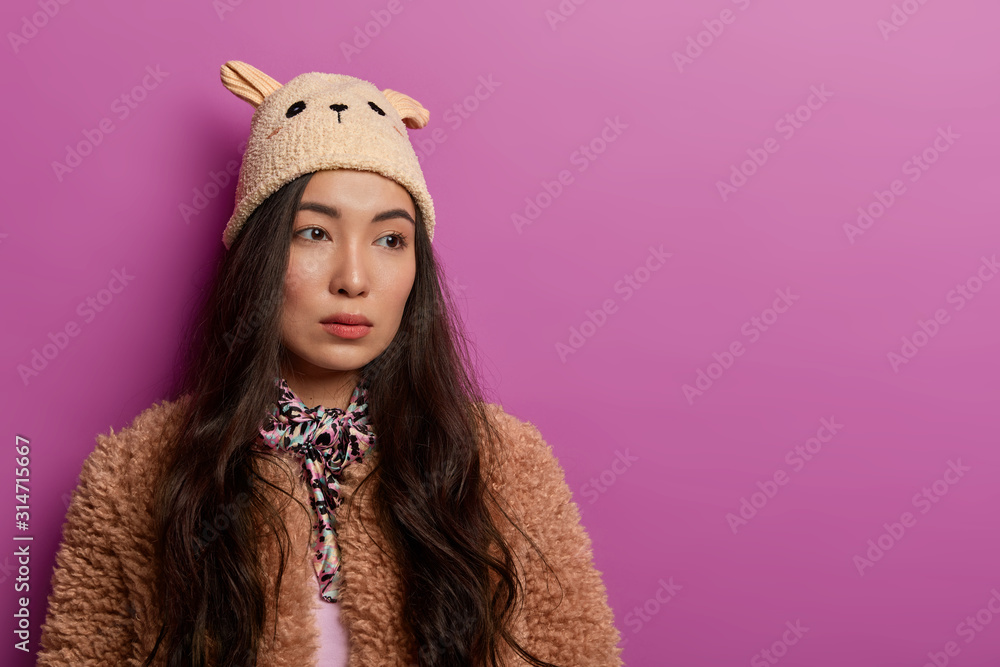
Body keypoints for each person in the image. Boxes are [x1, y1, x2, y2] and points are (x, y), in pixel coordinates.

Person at [36, 60, 622, 667]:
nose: (354, 279)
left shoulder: (505, 467)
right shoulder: (134, 475)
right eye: (314, 233)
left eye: (391, 240)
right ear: (258, 253)